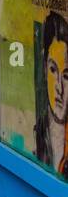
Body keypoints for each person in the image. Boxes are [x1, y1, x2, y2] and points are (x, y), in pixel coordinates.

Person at [36, 12, 68, 174]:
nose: (59, 87)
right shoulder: (37, 137)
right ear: (44, 69)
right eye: (53, 70)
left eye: (66, 75)